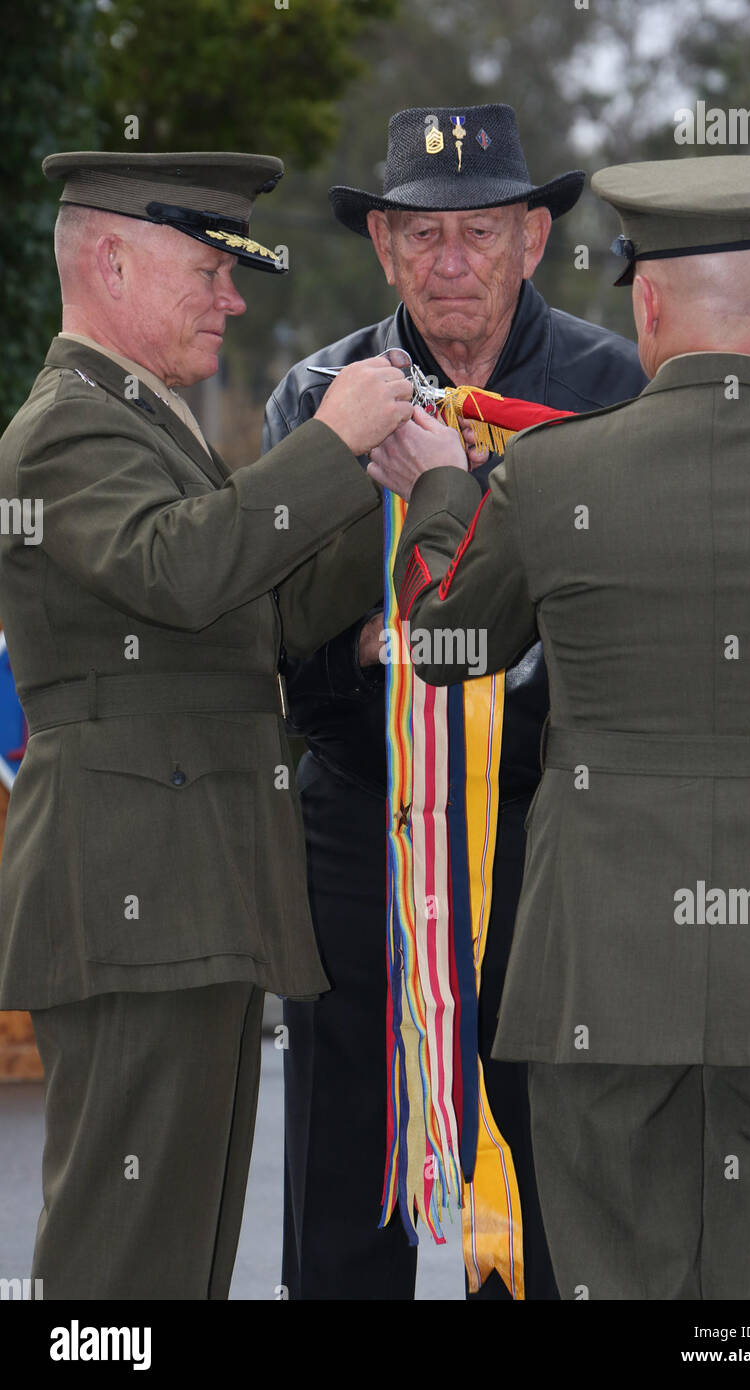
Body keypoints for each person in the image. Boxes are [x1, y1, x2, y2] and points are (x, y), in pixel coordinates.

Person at [375, 154, 750, 1301]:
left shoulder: (552, 475)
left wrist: (445, 489)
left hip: (599, 967)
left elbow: (447, 646)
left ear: (644, 302)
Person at [0, 150, 413, 1299]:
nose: (232, 298)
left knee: (179, 1252)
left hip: (188, 894)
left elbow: (257, 612)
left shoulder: (143, 421)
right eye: (209, 268)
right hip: (137, 895)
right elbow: (180, 571)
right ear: (114, 260)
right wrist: (329, 443)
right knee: (122, 1260)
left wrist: (387, 493)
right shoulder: (63, 431)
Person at [262, 103, 646, 1301]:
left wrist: (422, 636)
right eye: (418, 237)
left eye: (478, 233)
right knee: (341, 1160)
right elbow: (280, 633)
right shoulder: (317, 396)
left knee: (545, 1152)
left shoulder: (610, 388)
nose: (448, 263)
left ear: (533, 240)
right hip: (357, 823)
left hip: (547, 828)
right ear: (380, 246)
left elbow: (624, 630)